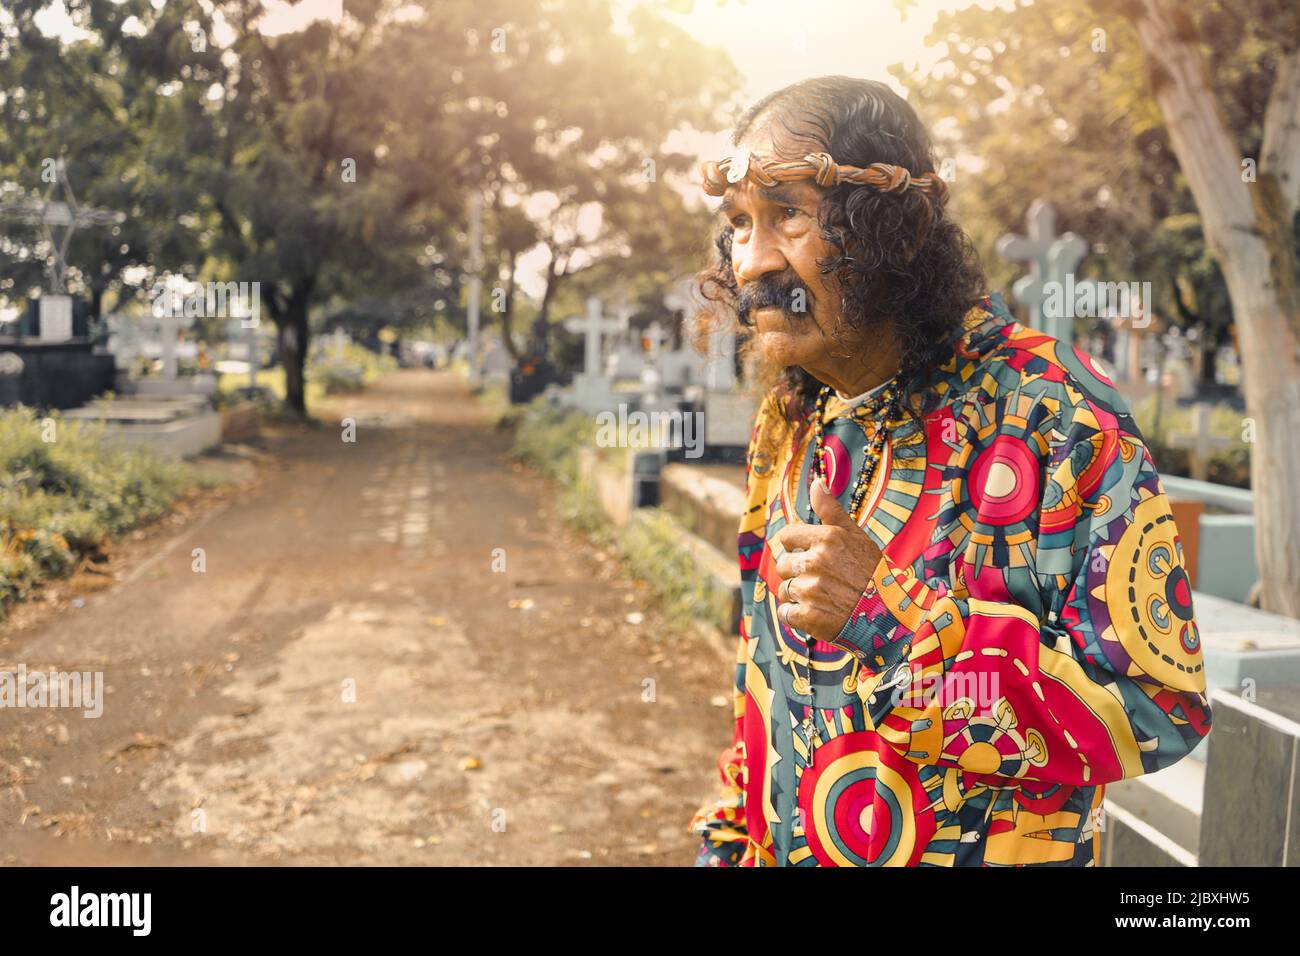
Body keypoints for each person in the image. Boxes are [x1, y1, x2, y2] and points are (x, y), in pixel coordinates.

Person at [688, 76, 1212, 867]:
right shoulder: (791, 415)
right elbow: (760, 670)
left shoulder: (1054, 415)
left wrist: (891, 624)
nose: (753, 260)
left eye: (788, 212)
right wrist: (728, 841)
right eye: (738, 222)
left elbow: (1157, 709)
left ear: (898, 232)